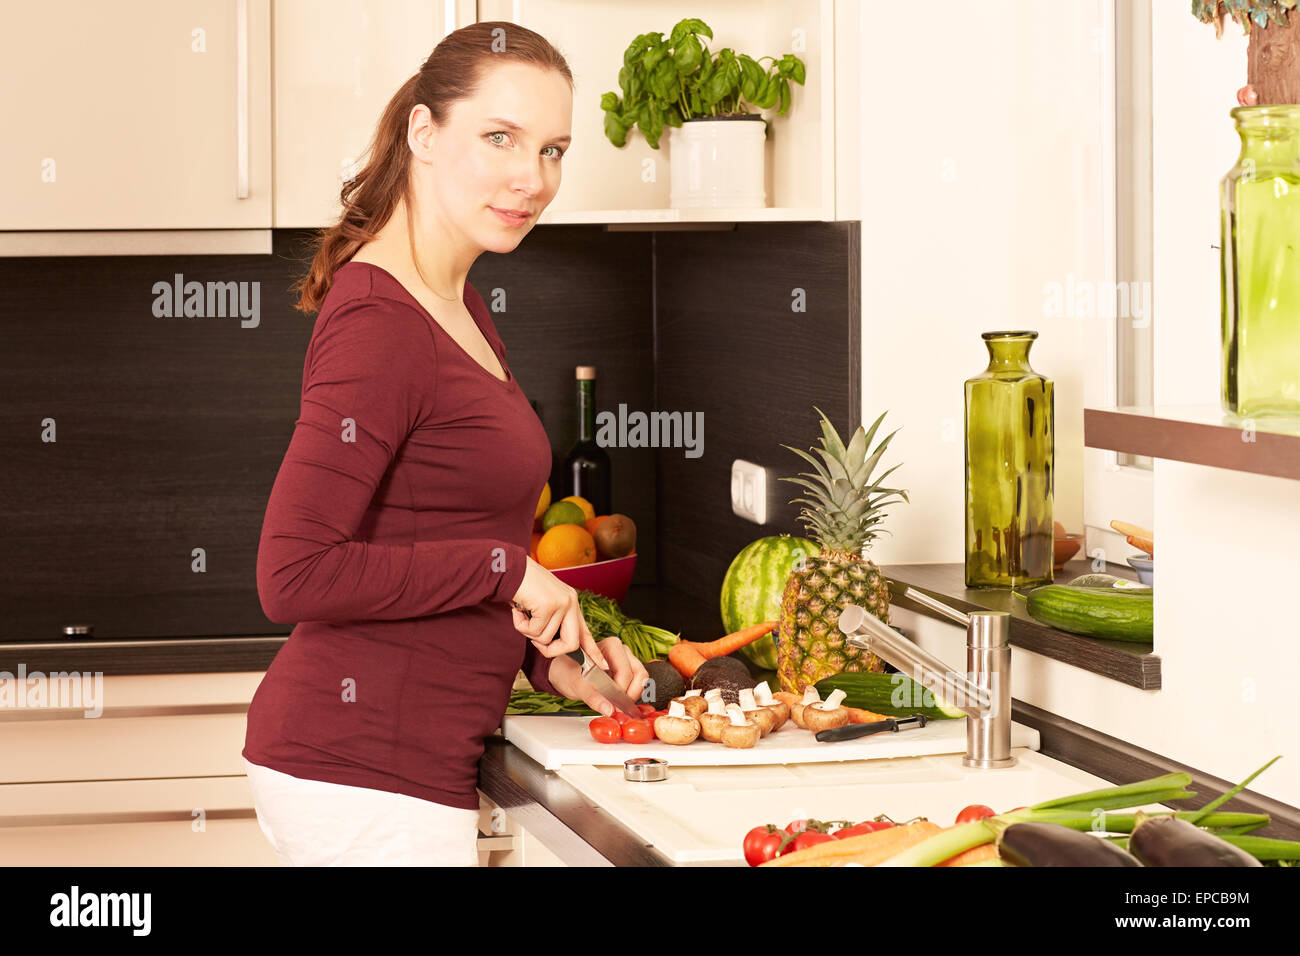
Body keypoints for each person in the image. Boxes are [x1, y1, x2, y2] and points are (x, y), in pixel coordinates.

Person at [242, 21, 648, 866]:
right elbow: (293, 572)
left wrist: (557, 668)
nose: (531, 178)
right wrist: (508, 571)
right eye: (499, 137)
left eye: (554, 150)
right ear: (423, 133)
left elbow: (436, 544)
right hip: (361, 775)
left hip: (403, 768)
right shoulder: (378, 318)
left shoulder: (456, 304)